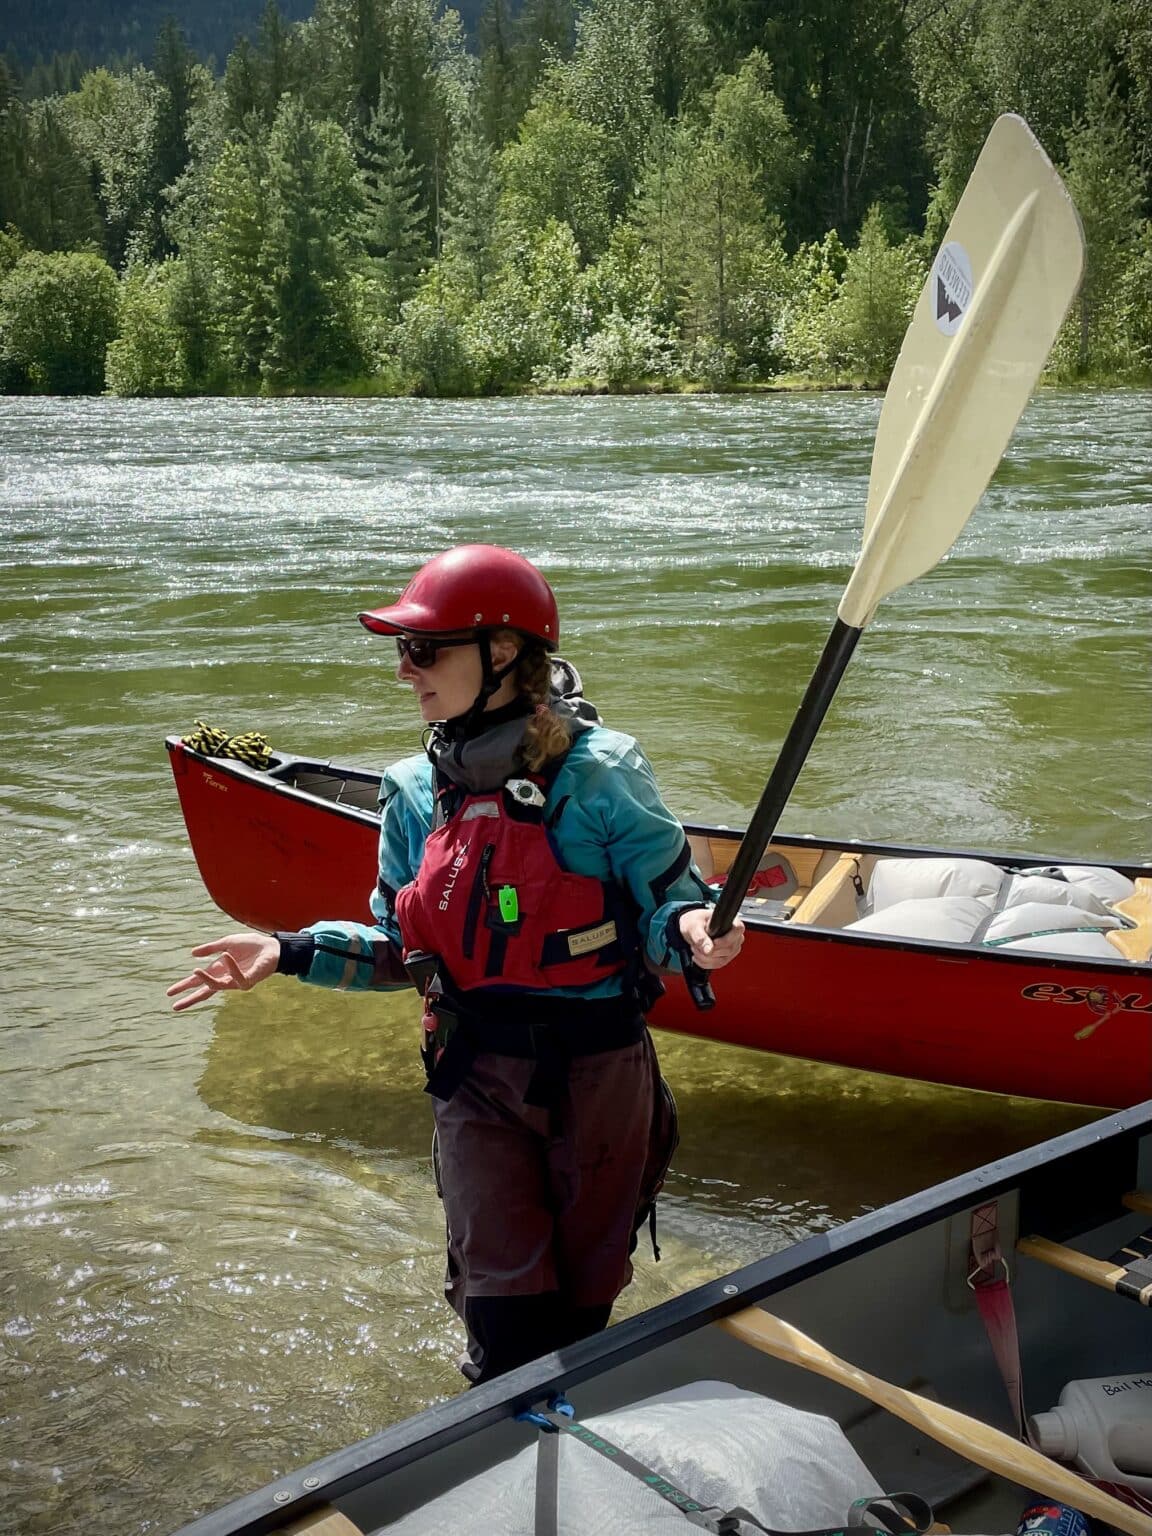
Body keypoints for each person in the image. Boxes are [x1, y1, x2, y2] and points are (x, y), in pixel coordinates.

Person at [168, 544, 744, 1384]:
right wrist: (285, 950)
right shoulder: (411, 791)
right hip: (474, 1077)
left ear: (503, 653)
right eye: (403, 649)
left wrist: (698, 929)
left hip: (600, 1083)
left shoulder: (601, 773)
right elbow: (402, 952)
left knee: (583, 1317)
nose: (405, 671)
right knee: (504, 1329)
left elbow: (667, 912)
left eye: (424, 649)